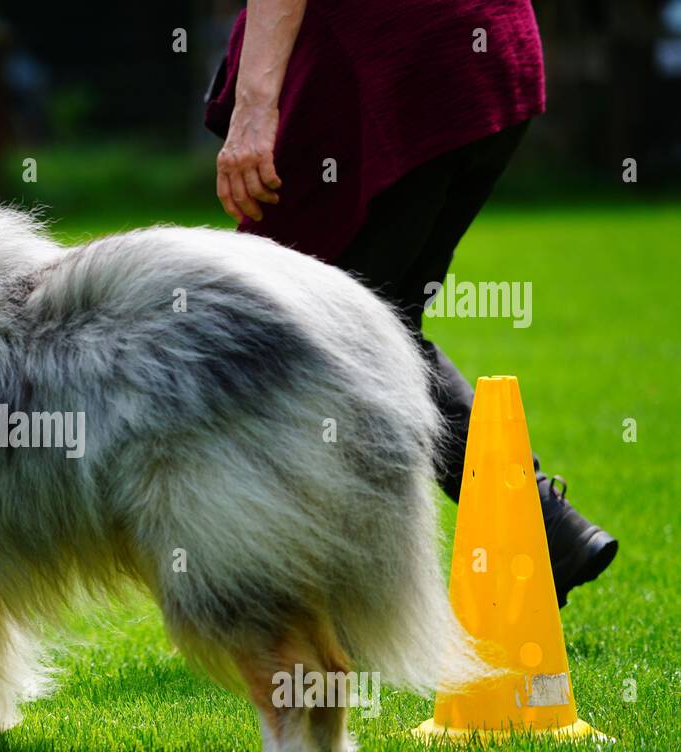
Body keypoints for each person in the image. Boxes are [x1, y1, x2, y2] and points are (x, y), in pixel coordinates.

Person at [205, 0, 617, 607]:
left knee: (290, 331)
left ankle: (289, 587)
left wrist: (253, 112)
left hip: (403, 67)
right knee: (374, 332)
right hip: (488, 51)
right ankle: (540, 527)